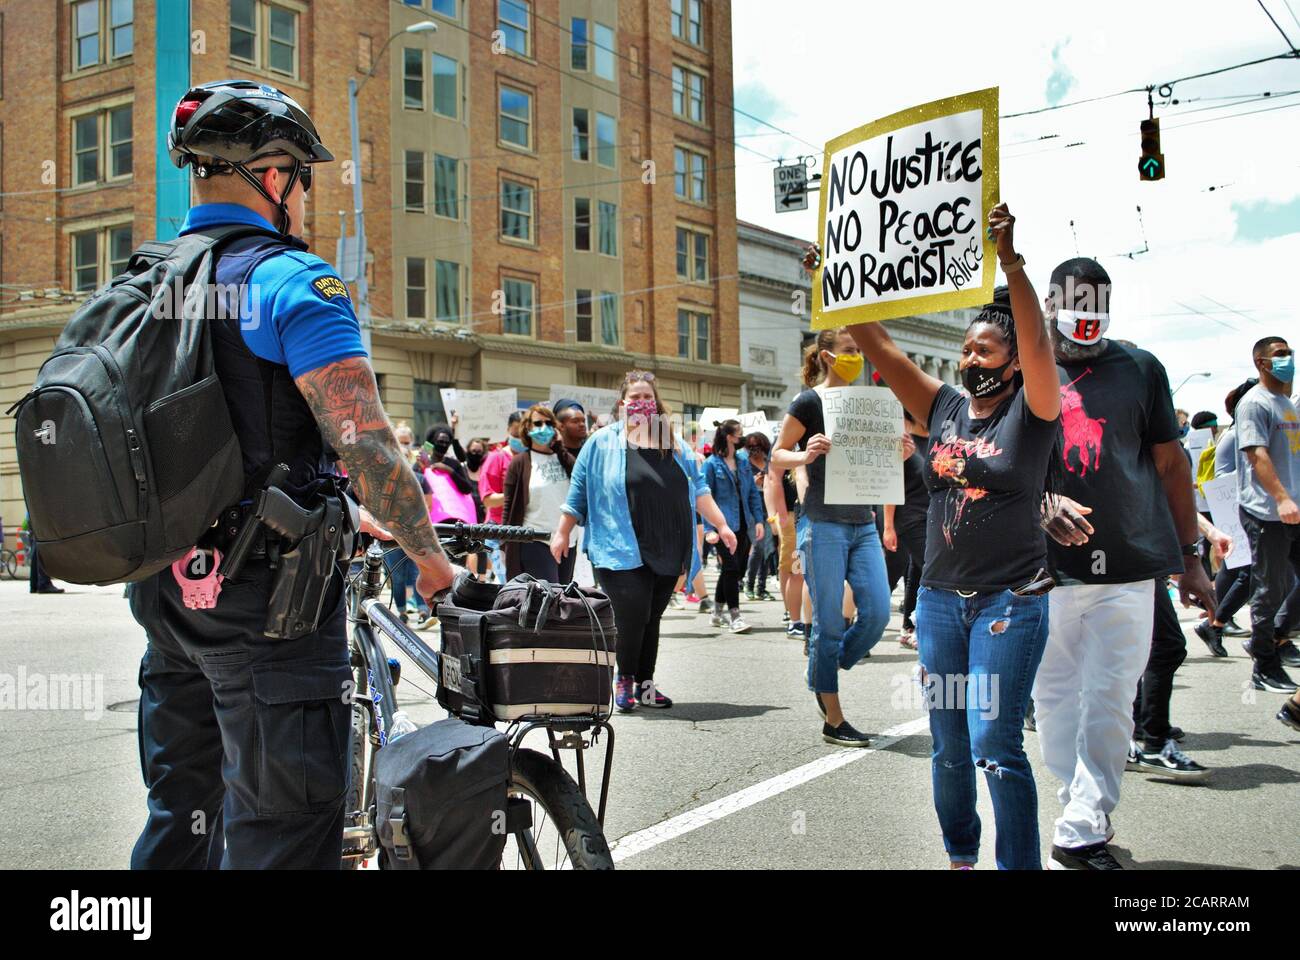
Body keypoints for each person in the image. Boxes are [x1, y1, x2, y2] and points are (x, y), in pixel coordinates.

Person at [130, 81, 454, 870]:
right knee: (282, 834)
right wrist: (433, 563)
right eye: (304, 176)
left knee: (182, 816)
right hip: (270, 609)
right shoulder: (294, 283)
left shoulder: (145, 286)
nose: (308, 196)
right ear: (273, 178)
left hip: (166, 599)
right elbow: (366, 443)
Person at [833, 202, 1062, 868]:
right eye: (964, 348)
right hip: (939, 605)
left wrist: (1010, 259)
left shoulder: (1034, 409)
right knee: (950, 744)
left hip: (1009, 604)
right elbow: (880, 348)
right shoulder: (945, 407)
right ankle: (961, 855)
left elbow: (1039, 340)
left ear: (1014, 363)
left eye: (984, 349)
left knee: (995, 742)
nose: (969, 358)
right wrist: (839, 290)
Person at [1036, 256, 1216, 870]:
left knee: (1112, 697)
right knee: (1056, 696)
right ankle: (1079, 804)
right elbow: (994, 456)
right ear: (1050, 304)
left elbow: (1171, 465)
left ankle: (1082, 826)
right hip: (1044, 571)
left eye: (1095, 314)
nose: (1083, 329)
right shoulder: (1026, 364)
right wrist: (1039, 502)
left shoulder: (1142, 368)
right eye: (1072, 313)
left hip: (1130, 568)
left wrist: (1191, 559)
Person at [551, 371, 737, 710]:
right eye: (634, 397)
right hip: (617, 545)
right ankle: (623, 679)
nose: (640, 402)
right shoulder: (601, 441)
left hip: (668, 544)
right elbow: (579, 490)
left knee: (652, 617)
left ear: (656, 403)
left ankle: (645, 685)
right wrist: (563, 530)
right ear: (623, 404)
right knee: (632, 616)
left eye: (646, 397)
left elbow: (699, 490)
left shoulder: (672, 442)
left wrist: (722, 525)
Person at [772, 322, 891, 749]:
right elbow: (777, 456)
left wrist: (898, 451)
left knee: (877, 613)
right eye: (848, 348)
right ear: (826, 355)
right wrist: (805, 453)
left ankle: (824, 669)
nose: (856, 355)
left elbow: (881, 459)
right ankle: (834, 718)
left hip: (863, 522)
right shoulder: (809, 401)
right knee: (826, 621)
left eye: (860, 349)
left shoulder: (871, 402)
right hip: (822, 522)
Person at [1232, 336, 1300, 695]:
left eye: (1290, 353)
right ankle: (1264, 664)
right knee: (1268, 589)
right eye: (1280, 354)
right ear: (1261, 362)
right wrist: (1282, 498)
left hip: (1293, 509)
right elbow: (1257, 455)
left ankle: (1276, 635)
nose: (1288, 359)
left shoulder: (1286, 402)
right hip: (1267, 512)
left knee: (1282, 589)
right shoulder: (1255, 403)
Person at [1196, 378, 1259, 654]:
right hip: (1236, 505)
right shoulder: (1235, 434)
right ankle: (1218, 622)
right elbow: (1228, 474)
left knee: (1240, 569)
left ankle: (1218, 621)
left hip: (1248, 504)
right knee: (1247, 570)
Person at [701, 420, 766, 634]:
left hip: (743, 524)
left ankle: (717, 612)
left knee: (735, 570)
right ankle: (735, 616)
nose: (743, 438)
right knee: (729, 567)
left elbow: (752, 494)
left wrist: (758, 519)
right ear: (729, 437)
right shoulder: (711, 464)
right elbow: (704, 497)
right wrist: (710, 528)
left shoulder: (743, 462)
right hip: (722, 526)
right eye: (740, 434)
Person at [503, 403, 577, 582]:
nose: (543, 428)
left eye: (548, 423)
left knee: (564, 599)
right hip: (535, 540)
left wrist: (559, 447)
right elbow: (509, 505)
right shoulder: (519, 463)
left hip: (568, 538)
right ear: (527, 428)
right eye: (537, 424)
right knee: (548, 596)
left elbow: (579, 482)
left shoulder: (565, 458)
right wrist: (504, 544)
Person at [882, 412, 929, 650]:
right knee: (932, 571)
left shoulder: (934, 437)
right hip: (908, 520)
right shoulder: (901, 439)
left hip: (930, 519)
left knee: (915, 574)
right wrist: (888, 526)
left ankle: (908, 627)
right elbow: (890, 482)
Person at [386, 423, 434, 624]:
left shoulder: (420, 478)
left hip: (415, 534)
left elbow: (428, 506)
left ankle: (423, 610)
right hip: (392, 535)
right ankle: (402, 611)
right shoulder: (384, 479)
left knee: (416, 572)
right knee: (396, 575)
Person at [479, 410, 525, 583]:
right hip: (499, 530)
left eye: (524, 433)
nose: (520, 437)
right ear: (508, 431)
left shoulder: (532, 458)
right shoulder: (496, 459)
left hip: (525, 528)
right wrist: (514, 493)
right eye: (516, 433)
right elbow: (488, 499)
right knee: (508, 581)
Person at [743, 433, 778, 602]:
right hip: (753, 510)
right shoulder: (745, 464)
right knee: (758, 546)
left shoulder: (769, 462)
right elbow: (742, 487)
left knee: (768, 548)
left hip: (770, 508)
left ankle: (761, 588)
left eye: (757, 446)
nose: (754, 450)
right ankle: (749, 585)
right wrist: (753, 482)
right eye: (750, 447)